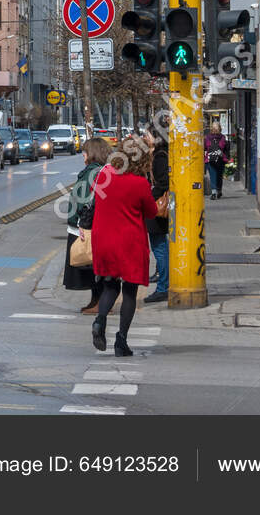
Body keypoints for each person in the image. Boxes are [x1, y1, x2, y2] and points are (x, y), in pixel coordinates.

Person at [90, 135, 159, 357]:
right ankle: (121, 341)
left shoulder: (104, 177)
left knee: (110, 285)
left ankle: (100, 321)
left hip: (104, 240)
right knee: (130, 290)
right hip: (129, 242)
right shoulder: (140, 184)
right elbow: (151, 212)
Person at [60, 137, 111, 314]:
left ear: (92, 154)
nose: (83, 155)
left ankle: (100, 302)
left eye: (85, 152)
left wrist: (80, 221)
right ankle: (96, 301)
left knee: (91, 266)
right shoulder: (102, 171)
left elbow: (86, 202)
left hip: (85, 226)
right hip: (92, 225)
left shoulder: (92, 173)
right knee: (92, 266)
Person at [143, 126, 170, 304]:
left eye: (148, 134)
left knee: (160, 248)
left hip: (157, 208)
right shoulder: (159, 154)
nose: (145, 137)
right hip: (157, 207)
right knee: (161, 247)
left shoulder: (160, 157)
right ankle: (164, 283)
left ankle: (163, 287)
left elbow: (162, 183)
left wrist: (149, 199)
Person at [205, 124, 229, 199]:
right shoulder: (223, 137)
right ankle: (219, 190)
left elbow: (205, 148)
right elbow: (224, 147)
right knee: (219, 176)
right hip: (220, 159)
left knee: (213, 175)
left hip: (210, 159)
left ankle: (214, 192)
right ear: (220, 129)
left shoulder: (207, 138)